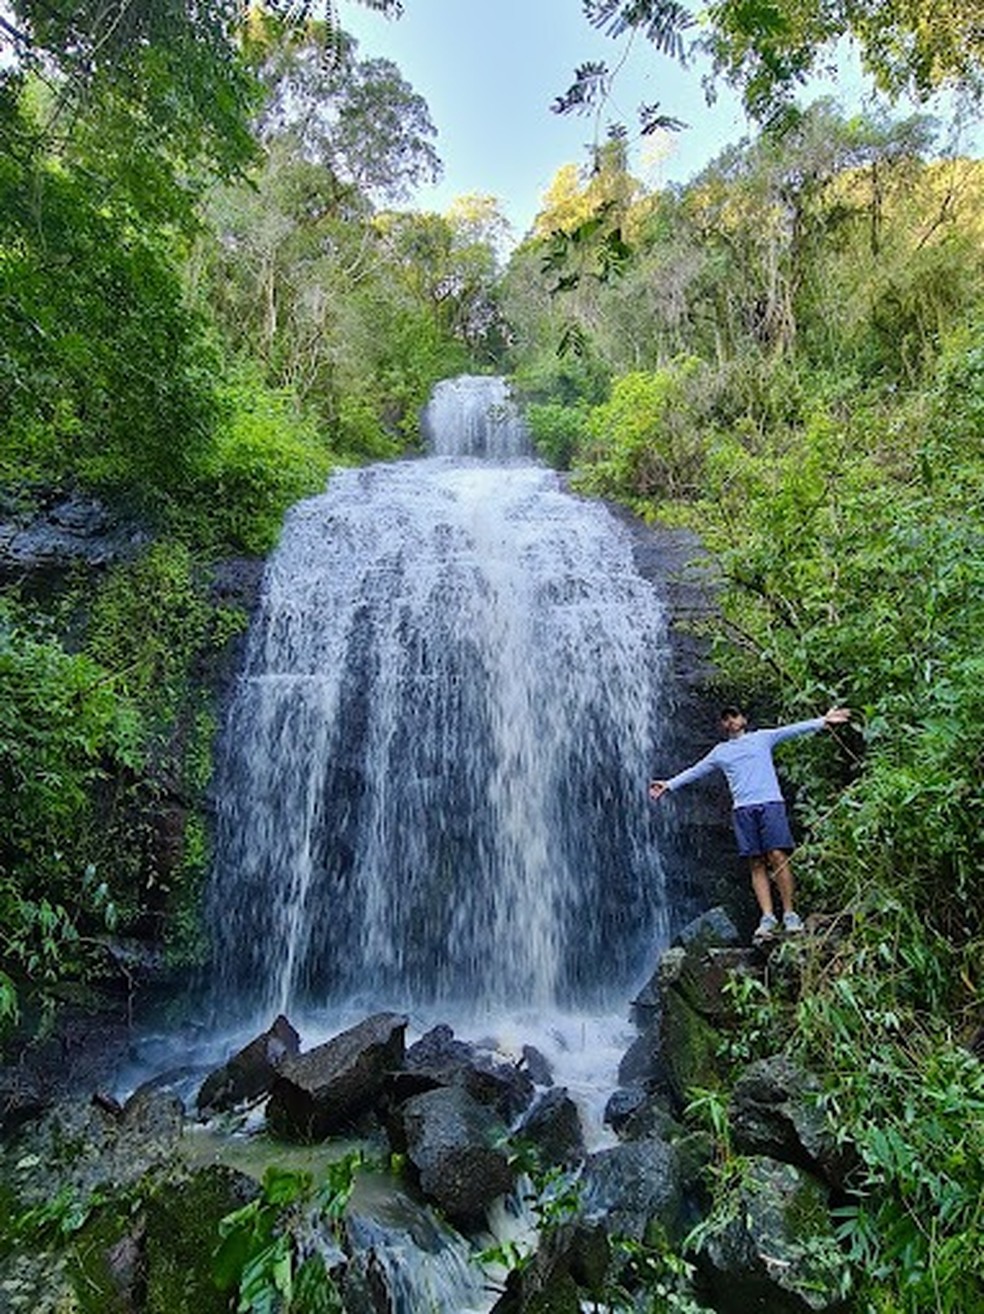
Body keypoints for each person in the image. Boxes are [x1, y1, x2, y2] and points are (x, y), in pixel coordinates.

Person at [649, 705, 851, 944]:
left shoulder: (762, 738)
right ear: (722, 725)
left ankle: (790, 913)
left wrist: (823, 720)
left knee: (777, 856)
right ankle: (767, 917)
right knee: (755, 862)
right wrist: (669, 784)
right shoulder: (720, 752)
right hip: (743, 809)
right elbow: (697, 770)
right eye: (725, 718)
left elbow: (791, 730)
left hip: (770, 804)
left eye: (734, 715)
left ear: (744, 719)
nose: (730, 720)